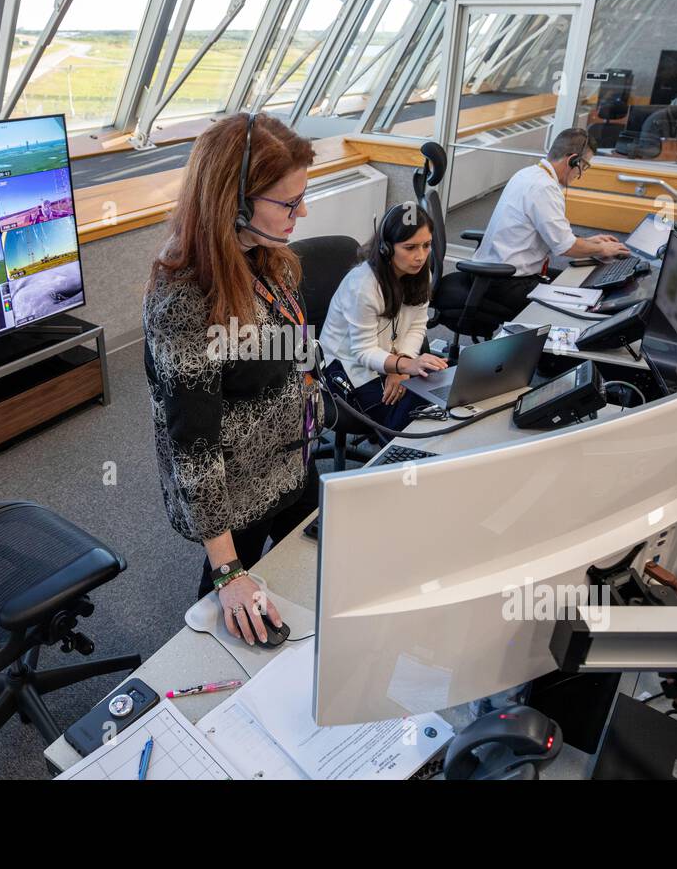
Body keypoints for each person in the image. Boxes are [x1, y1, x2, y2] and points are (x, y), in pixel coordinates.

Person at [144, 112, 320, 645]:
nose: (302, 212)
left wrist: (308, 377)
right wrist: (227, 570)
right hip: (234, 492)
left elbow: (291, 339)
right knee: (230, 622)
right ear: (235, 202)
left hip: (291, 460)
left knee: (312, 578)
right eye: (288, 203)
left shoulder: (274, 261)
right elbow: (193, 445)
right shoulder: (184, 299)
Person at [442, 129, 630, 323]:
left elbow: (553, 235)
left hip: (498, 275)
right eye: (583, 166)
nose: (581, 174)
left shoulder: (529, 174)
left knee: (582, 286)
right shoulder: (544, 187)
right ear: (572, 160)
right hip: (505, 282)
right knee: (580, 306)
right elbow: (566, 247)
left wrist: (587, 242)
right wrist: (602, 248)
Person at [319, 203, 449, 436]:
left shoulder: (420, 274)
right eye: (410, 247)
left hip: (391, 355)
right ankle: (397, 467)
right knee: (398, 423)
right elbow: (363, 351)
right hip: (348, 364)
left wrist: (402, 363)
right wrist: (404, 365)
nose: (420, 256)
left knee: (436, 395)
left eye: (426, 245)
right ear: (387, 248)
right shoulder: (363, 286)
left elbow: (418, 325)